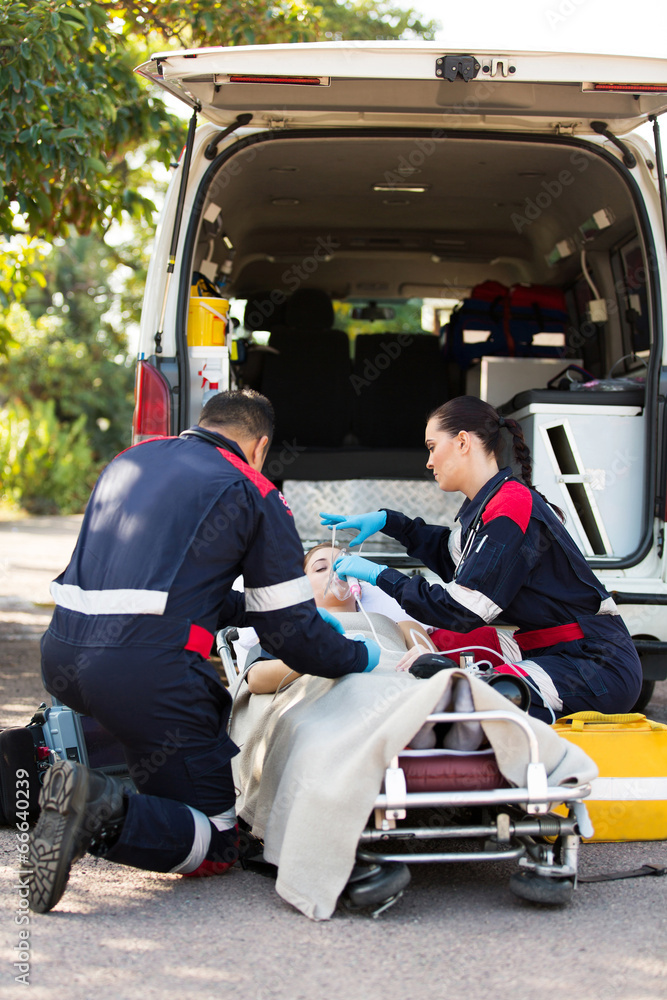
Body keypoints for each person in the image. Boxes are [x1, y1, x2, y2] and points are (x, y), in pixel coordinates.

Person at [28, 389, 380, 914]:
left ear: (203, 423)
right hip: (144, 676)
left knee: (171, 792)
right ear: (260, 446)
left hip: (63, 659)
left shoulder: (130, 461)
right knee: (217, 843)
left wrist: (245, 610)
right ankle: (100, 808)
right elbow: (290, 634)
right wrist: (356, 658)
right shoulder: (254, 490)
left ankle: (100, 798)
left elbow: (167, 589)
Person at [321, 395, 643, 723]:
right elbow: (451, 556)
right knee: (443, 647)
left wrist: (380, 575)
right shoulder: (492, 506)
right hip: (548, 648)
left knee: (469, 697)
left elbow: (463, 611)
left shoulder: (511, 508)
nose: (429, 462)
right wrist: (391, 521)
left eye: (432, 447)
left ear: (462, 442)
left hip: (593, 665)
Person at [246, 542, 434, 694]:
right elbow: (255, 680)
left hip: (399, 695)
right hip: (328, 705)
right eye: (320, 568)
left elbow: (446, 669)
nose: (336, 571)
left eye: (343, 565)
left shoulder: (403, 627)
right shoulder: (287, 628)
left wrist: (426, 657)